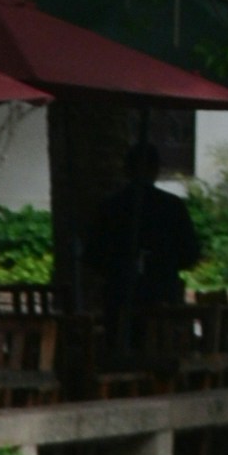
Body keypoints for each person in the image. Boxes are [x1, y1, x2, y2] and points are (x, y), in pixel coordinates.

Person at [88, 133, 200, 338]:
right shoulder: (172, 207)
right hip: (162, 295)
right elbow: (190, 253)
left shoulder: (110, 207)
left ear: (126, 170)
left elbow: (94, 254)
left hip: (119, 296)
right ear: (156, 170)